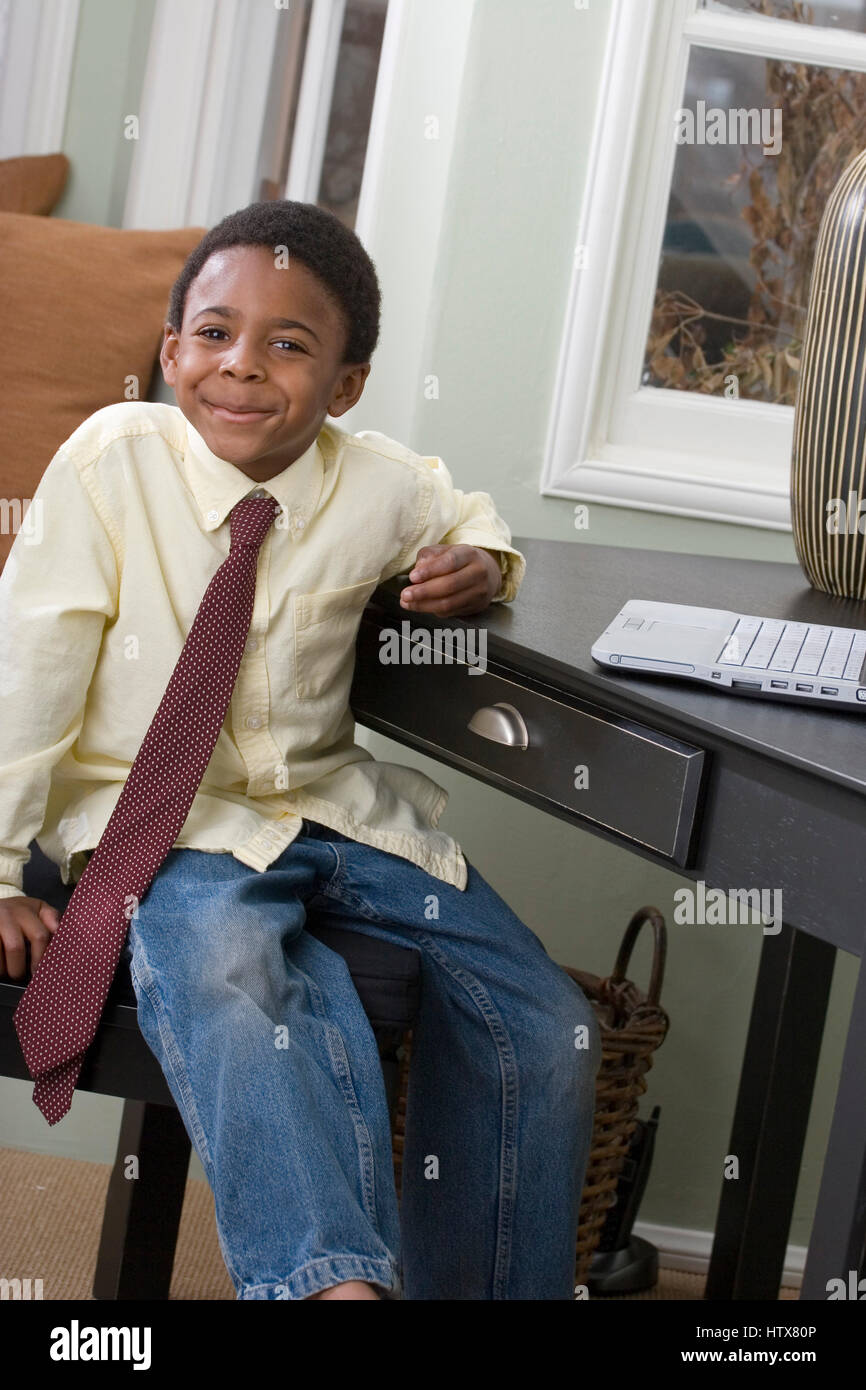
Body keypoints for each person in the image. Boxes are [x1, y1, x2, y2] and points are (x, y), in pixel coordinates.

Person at [0, 200, 601, 1300]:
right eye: (215, 333)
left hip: (338, 821)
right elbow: (22, 677)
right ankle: (331, 1287)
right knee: (229, 972)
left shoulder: (372, 482)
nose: (240, 367)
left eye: (288, 344)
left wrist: (481, 560)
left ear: (347, 382)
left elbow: (464, 513)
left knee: (545, 1018)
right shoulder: (110, 461)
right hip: (166, 830)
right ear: (171, 347)